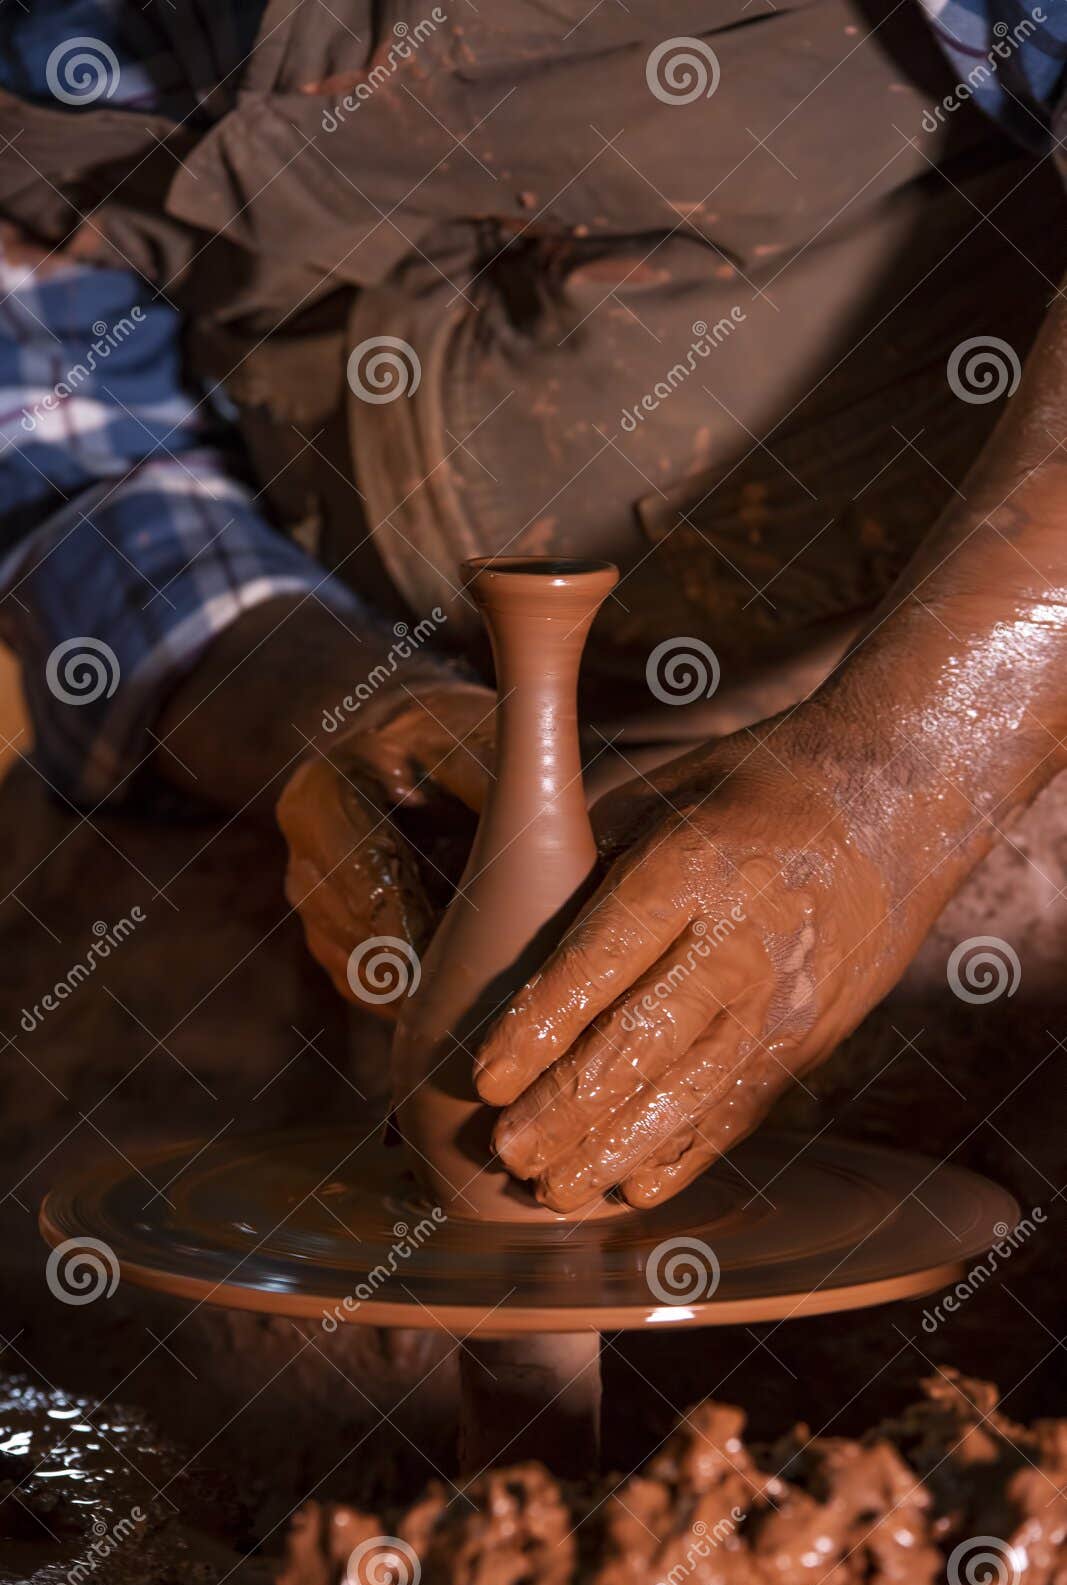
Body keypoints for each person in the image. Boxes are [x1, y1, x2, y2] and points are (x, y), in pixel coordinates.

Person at [2, 0, 1066, 1219]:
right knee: (88, 1242)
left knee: (950, 1228)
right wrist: (315, 698)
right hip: (359, 712)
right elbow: (61, 445)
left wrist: (908, 777)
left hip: (937, 683)